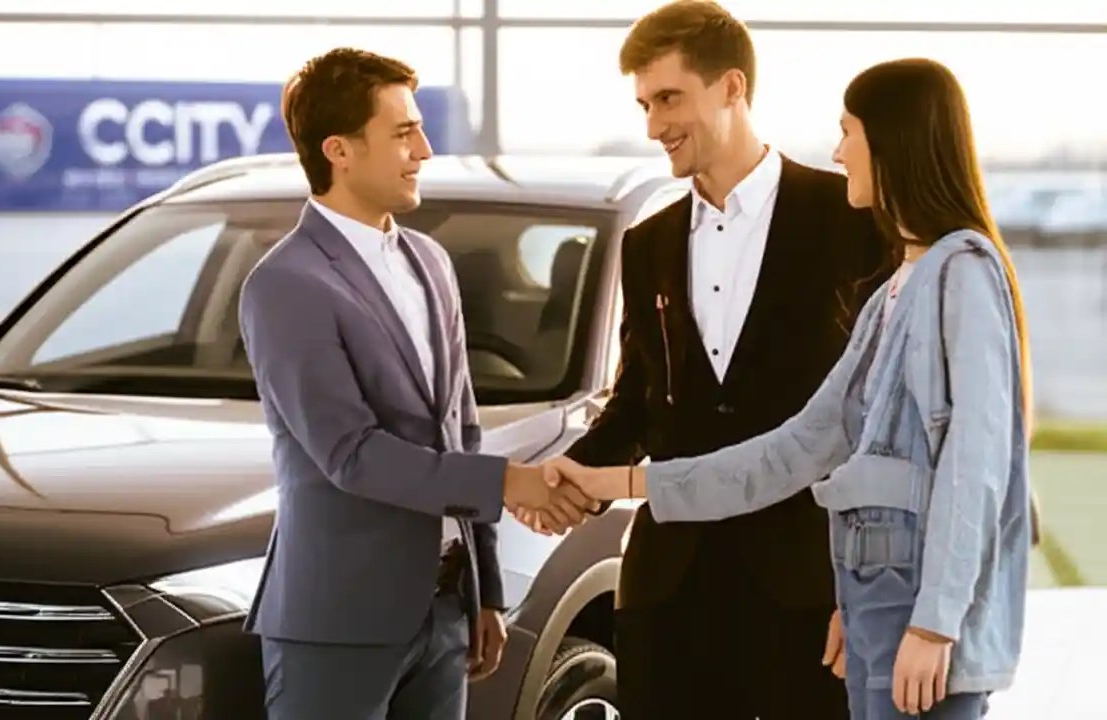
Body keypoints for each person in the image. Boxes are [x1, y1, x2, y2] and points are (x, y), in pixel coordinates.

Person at [550, 56, 1033, 720]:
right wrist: (616, 482)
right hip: (874, 609)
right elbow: (793, 450)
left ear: (893, 142)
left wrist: (935, 623)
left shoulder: (964, 274)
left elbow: (974, 464)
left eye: (848, 132)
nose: (837, 153)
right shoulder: (893, 294)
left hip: (917, 624)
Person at [515, 2, 891, 718]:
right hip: (672, 591)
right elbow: (637, 403)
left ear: (732, 87)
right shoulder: (648, 244)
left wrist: (870, 587)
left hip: (809, 586)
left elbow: (878, 421)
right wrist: (571, 479)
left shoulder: (850, 222)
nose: (653, 125)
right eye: (644, 105)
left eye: (668, 98)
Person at [238, 48, 595, 719]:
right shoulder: (286, 284)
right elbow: (352, 455)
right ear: (339, 151)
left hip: (446, 614)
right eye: (403, 133)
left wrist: (486, 589)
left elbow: (461, 431)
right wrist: (508, 483)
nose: (424, 151)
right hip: (338, 622)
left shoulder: (429, 261)